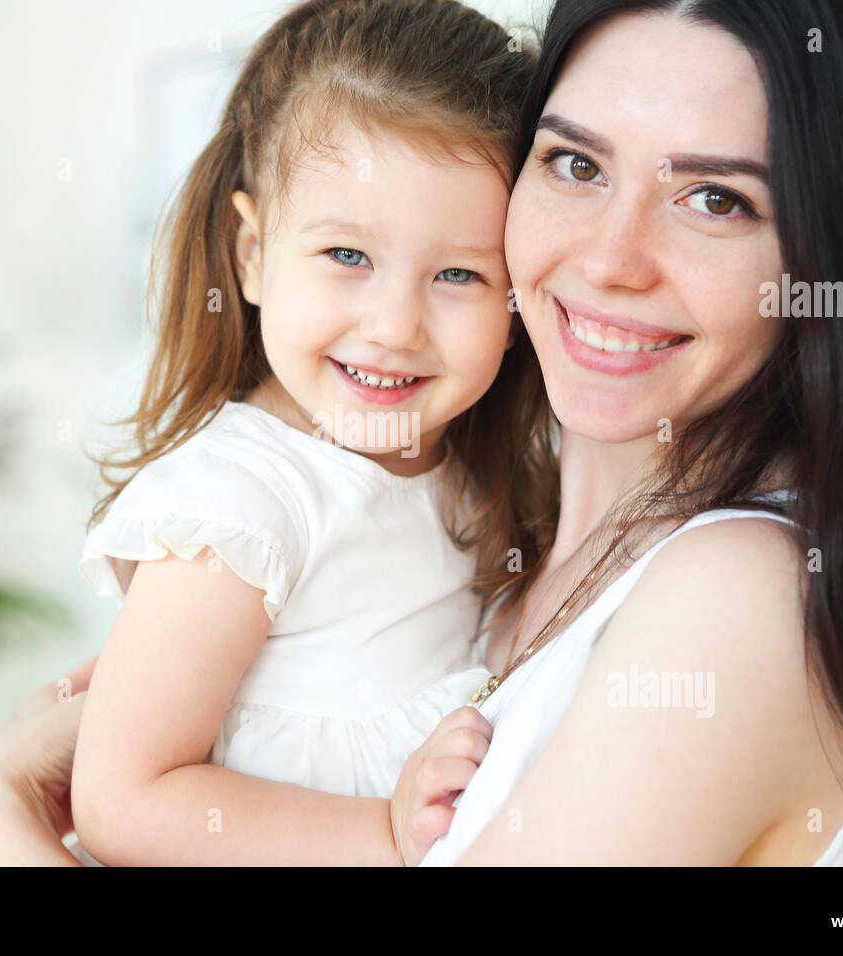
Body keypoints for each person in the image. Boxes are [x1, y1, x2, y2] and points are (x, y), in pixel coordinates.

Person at [0, 0, 843, 866]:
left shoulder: (737, 599)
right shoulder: (486, 555)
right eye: (576, 166)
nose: (609, 259)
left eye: (713, 199)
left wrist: (2, 824)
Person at [57, 0, 549, 867]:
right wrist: (382, 832)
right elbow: (122, 800)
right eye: (347, 257)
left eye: (460, 274)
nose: (396, 326)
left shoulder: (469, 477)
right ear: (252, 254)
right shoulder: (240, 502)